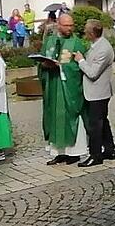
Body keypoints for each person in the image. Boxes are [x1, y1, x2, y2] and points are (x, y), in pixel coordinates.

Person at [37, 13, 88, 164]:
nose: (69, 28)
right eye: (66, 25)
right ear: (58, 25)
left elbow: (79, 66)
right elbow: (41, 62)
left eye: (71, 25)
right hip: (53, 85)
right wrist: (44, 65)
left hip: (68, 87)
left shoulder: (76, 43)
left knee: (70, 117)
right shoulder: (50, 41)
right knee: (54, 117)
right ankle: (59, 153)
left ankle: (74, 153)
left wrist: (62, 68)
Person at [72, 19, 115, 167]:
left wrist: (80, 60)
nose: (84, 32)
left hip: (99, 92)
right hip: (95, 91)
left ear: (92, 33)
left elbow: (93, 73)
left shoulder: (104, 49)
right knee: (103, 121)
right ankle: (109, 149)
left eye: (86, 30)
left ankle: (95, 155)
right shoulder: (95, 45)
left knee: (94, 125)